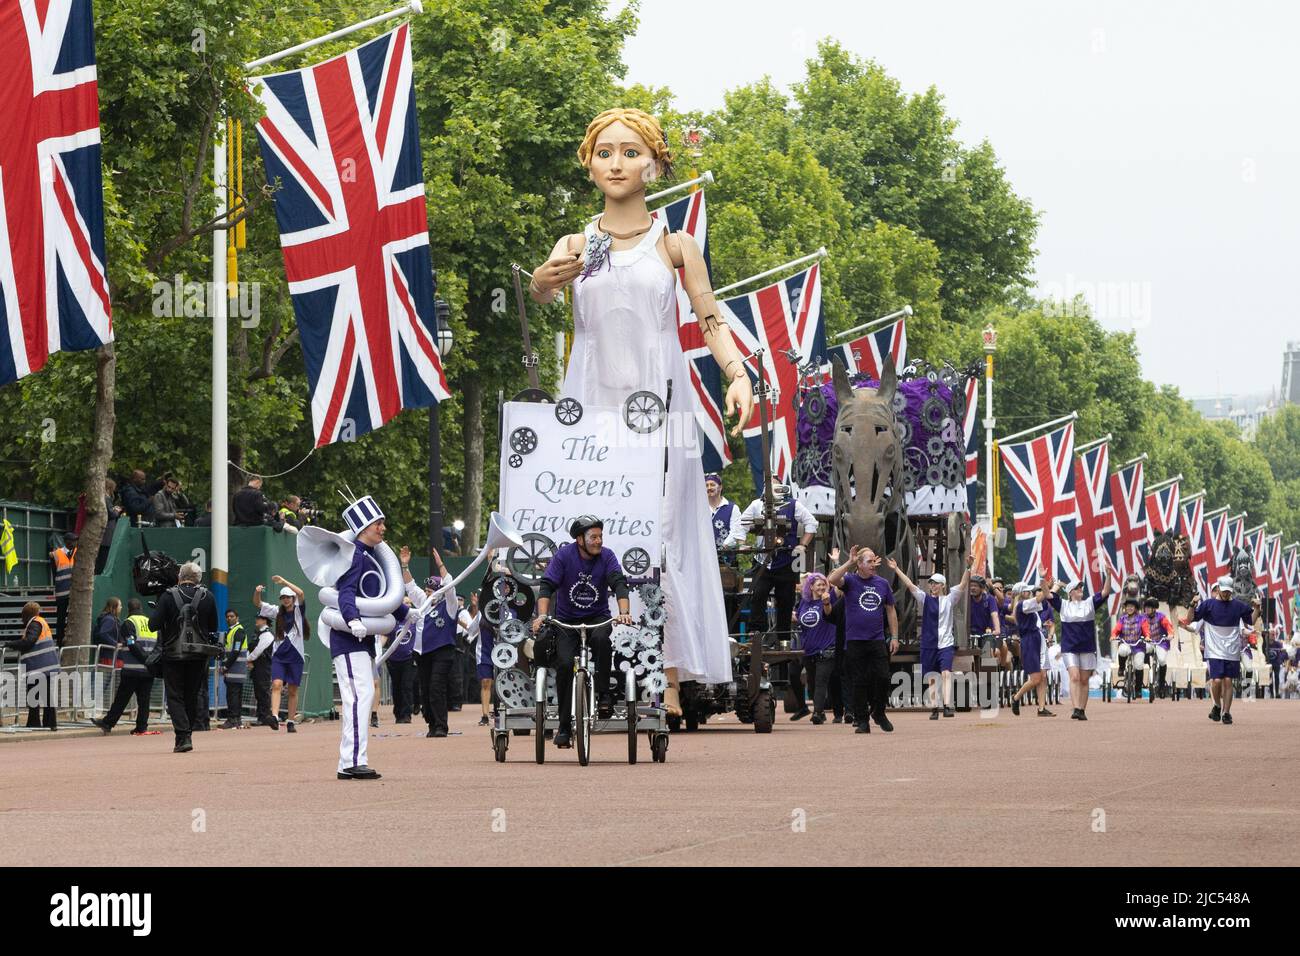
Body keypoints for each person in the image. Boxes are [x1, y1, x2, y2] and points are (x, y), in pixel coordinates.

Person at [529, 107, 751, 710]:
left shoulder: (676, 245)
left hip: (661, 402)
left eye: (630, 152)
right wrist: (543, 281)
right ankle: (581, 661)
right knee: (593, 524)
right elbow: (542, 294)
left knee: (663, 526)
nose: (617, 163)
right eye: (605, 152)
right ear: (589, 163)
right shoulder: (576, 244)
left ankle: (669, 674)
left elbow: (709, 319)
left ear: (654, 164)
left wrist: (736, 372)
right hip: (592, 397)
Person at [327, 497, 416, 779]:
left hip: (360, 641)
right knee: (358, 697)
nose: (383, 528)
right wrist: (352, 619)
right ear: (365, 527)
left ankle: (352, 760)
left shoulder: (369, 555)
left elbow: (378, 596)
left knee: (361, 697)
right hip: (349, 639)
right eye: (379, 523)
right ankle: (351, 761)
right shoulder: (355, 554)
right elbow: (347, 591)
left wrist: (405, 614)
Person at [532, 516, 634, 748]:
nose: (598, 541)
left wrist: (624, 612)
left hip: (597, 617)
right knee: (565, 665)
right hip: (567, 621)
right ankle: (565, 727)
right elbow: (547, 585)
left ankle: (604, 694)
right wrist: (541, 616)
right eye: (593, 537)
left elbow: (618, 583)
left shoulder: (607, 556)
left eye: (600, 537)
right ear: (580, 539)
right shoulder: (564, 556)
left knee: (601, 641)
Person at [890, 554, 971, 719]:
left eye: (935, 583)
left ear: (942, 585)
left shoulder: (949, 599)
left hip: (946, 643)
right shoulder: (925, 599)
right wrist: (897, 569)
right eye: (931, 583)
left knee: (946, 672)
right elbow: (910, 585)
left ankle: (947, 706)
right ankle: (935, 708)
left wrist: (968, 567)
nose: (932, 586)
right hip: (928, 643)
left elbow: (963, 585)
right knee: (933, 677)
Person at [827, 546, 898, 734]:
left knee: (883, 677)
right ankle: (862, 720)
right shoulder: (850, 580)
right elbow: (832, 579)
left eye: (874, 561)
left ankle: (879, 712)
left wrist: (895, 637)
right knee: (859, 681)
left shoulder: (882, 583)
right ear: (859, 564)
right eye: (869, 561)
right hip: (855, 640)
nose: (873, 565)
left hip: (877, 639)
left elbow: (890, 609)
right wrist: (848, 562)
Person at [149, 562, 218, 753]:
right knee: (192, 694)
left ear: (179, 577)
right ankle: (188, 732)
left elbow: (153, 624)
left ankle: (183, 735)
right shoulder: (208, 596)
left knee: (174, 695)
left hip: (174, 653)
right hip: (198, 654)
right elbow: (213, 626)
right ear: (199, 578)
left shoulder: (168, 596)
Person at [736, 495, 818, 647]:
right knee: (757, 595)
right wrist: (742, 543)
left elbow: (811, 523)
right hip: (763, 561)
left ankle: (783, 638)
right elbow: (741, 523)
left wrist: (803, 545)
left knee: (786, 600)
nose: (772, 489)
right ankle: (756, 634)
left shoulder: (793, 505)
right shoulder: (756, 505)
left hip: (786, 560)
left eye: (775, 485)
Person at [400, 548, 460, 738]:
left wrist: (441, 564)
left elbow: (450, 586)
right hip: (422, 653)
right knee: (425, 690)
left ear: (439, 593)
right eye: (426, 591)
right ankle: (431, 724)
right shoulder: (423, 604)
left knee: (436, 687)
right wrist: (404, 564)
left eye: (430, 591)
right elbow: (410, 585)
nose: (427, 594)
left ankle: (441, 725)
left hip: (442, 651)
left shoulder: (449, 606)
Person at [1180, 575, 1255, 726]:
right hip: (1214, 650)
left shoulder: (1238, 606)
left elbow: (1251, 621)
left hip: (1232, 650)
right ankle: (1217, 705)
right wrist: (1192, 604)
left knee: (1228, 681)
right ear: (1219, 589)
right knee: (1216, 681)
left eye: (1229, 591)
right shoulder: (1208, 605)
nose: (1226, 594)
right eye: (1224, 591)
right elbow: (1191, 619)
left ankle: (1226, 713)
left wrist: (1258, 608)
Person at [1045, 571, 1115, 721]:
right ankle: (1076, 707)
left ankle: (1082, 709)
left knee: (1084, 680)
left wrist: (1108, 575)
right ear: (1070, 592)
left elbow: (1105, 592)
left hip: (1087, 647)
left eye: (1081, 588)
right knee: (1075, 677)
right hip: (1070, 648)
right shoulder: (1063, 605)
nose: (1080, 590)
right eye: (1077, 588)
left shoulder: (1089, 603)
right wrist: (1045, 580)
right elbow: (1049, 595)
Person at [93, 599, 159, 735]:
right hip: (148, 670)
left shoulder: (128, 623)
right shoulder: (150, 623)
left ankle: (108, 723)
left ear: (129, 610)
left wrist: (144, 659)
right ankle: (141, 727)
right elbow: (158, 644)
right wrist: (150, 661)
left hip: (132, 669)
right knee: (144, 700)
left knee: (121, 698)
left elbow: (131, 643)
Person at [255, 575, 308, 733]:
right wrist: (257, 592)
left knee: (292, 690)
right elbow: (258, 603)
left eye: (288, 597)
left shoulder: (299, 611)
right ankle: (275, 717)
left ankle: (291, 721)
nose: (286, 600)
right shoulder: (277, 612)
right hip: (279, 656)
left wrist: (284, 582)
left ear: (292, 598)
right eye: (283, 597)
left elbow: (301, 593)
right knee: (277, 684)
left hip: (296, 656)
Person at [794, 573, 841, 724]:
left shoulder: (829, 598)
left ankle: (817, 712)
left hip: (827, 648)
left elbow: (840, 585)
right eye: (818, 585)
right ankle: (821, 711)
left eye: (823, 584)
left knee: (821, 681)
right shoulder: (804, 603)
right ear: (811, 587)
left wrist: (839, 563)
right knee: (812, 682)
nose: (821, 587)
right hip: (808, 650)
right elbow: (799, 619)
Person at [1008, 580, 1054, 716]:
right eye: (1027, 590)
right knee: (1035, 678)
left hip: (1037, 638)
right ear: (1022, 593)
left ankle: (1041, 708)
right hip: (1030, 640)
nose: (1030, 592)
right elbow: (1041, 597)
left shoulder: (1025, 606)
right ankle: (1016, 697)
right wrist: (1046, 585)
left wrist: (1050, 587)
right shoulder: (1023, 604)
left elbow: (1043, 599)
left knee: (1043, 676)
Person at [16, 601, 59, 729]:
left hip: (38, 666)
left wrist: (11, 644)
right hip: (44, 665)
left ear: (26, 615)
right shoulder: (41, 622)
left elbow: (29, 642)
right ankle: (49, 724)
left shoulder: (34, 624)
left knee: (34, 695)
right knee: (44, 695)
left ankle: (35, 723)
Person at [1113, 597, 1152, 699]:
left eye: (1132, 606)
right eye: (1128, 606)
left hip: (1138, 645)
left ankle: (1138, 689)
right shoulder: (1122, 619)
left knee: (1139, 665)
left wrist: (1147, 637)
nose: (1129, 608)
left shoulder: (1142, 619)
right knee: (1122, 650)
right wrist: (1113, 635)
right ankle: (1121, 668)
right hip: (1126, 643)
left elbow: (1146, 629)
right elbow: (1116, 629)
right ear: (1125, 608)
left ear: (1135, 608)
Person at [382, 612, 417, 725]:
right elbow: (384, 637)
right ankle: (398, 714)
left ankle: (406, 714)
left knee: (406, 686)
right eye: (405, 603)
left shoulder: (413, 622)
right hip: (393, 660)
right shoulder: (392, 622)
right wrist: (379, 651)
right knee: (396, 687)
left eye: (408, 603)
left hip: (408, 659)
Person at [218, 609, 249, 729]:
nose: (229, 618)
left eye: (232, 616)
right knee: (235, 695)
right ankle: (237, 720)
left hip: (235, 671)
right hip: (234, 671)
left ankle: (232, 719)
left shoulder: (239, 631)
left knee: (233, 696)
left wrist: (225, 666)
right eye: (227, 616)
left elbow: (236, 651)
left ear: (237, 617)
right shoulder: (231, 631)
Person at [246, 613, 276, 728]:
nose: (257, 620)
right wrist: (249, 660)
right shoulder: (258, 633)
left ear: (265, 620)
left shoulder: (267, 635)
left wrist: (248, 659)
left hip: (264, 667)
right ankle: (261, 716)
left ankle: (265, 716)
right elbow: (252, 647)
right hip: (257, 667)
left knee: (263, 691)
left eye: (259, 618)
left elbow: (258, 650)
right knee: (259, 692)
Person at [706, 473, 744, 561]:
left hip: (726, 559)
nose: (709, 488)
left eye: (712, 484)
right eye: (706, 485)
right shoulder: (699, 508)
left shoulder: (732, 508)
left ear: (720, 487)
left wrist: (723, 548)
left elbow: (735, 532)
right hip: (704, 558)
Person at [49, 532, 76, 646]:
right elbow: (54, 572)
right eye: (72, 540)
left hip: (75, 592)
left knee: (74, 617)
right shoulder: (56, 554)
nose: (75, 543)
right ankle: (60, 643)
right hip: (62, 591)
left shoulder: (78, 552)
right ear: (66, 541)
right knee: (61, 618)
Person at [1144, 597, 1174, 695]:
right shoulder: (1142, 618)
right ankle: (1146, 667)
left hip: (1161, 642)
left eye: (1149, 607)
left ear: (1154, 609)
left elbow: (1168, 627)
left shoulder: (1161, 617)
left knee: (1161, 660)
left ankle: (1161, 684)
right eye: (1146, 607)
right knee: (1144, 649)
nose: (1147, 609)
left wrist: (1170, 634)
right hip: (1148, 642)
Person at [967, 574, 1001, 648]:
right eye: (971, 586)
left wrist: (997, 629)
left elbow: (994, 615)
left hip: (986, 634)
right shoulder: (967, 599)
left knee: (989, 652)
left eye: (975, 586)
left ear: (982, 588)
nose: (972, 588)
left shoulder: (990, 599)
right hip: (971, 635)